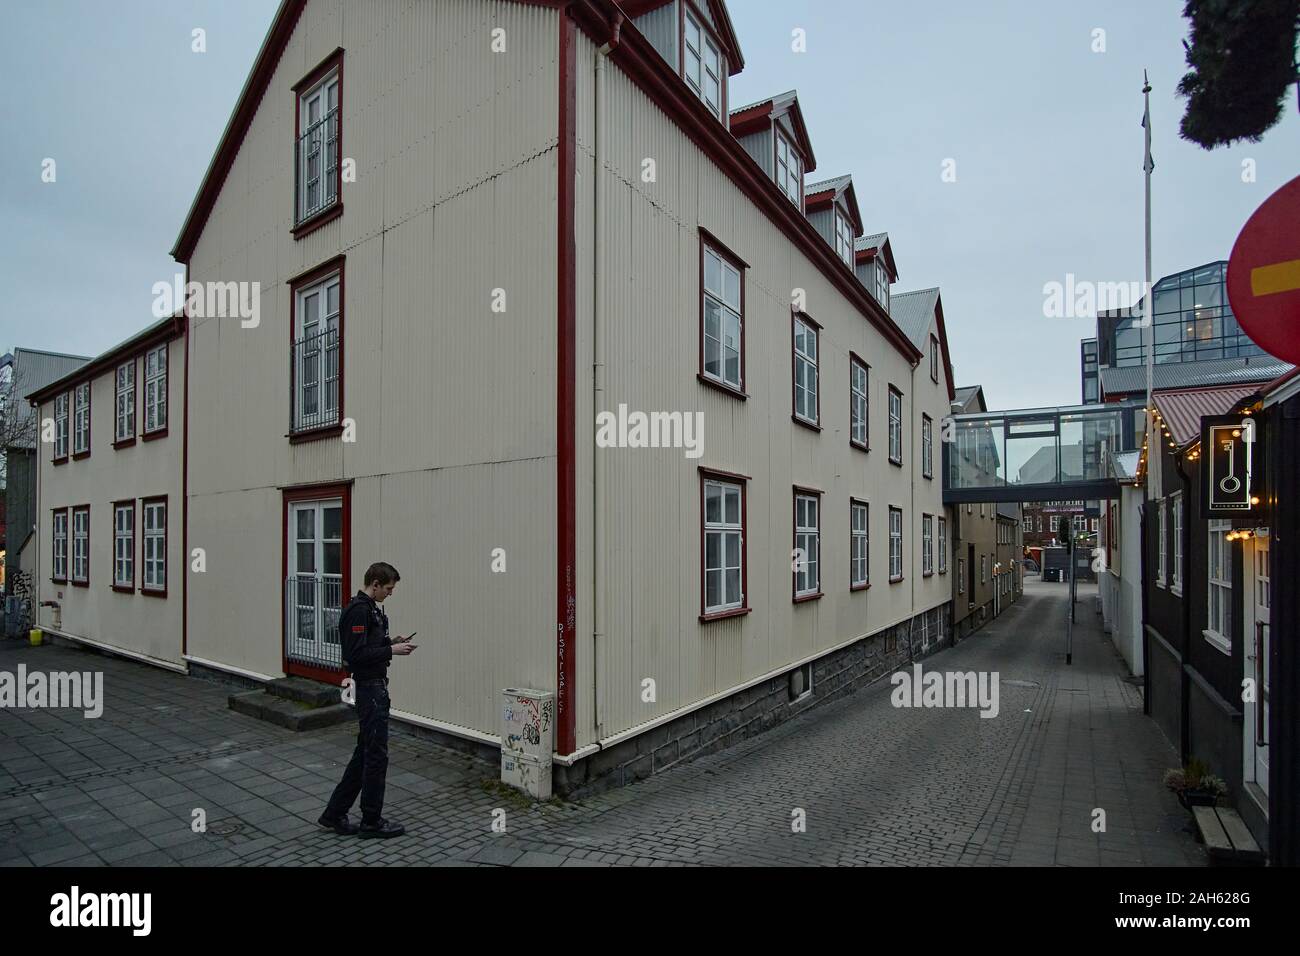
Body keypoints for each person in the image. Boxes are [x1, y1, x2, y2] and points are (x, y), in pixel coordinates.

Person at [318, 561, 416, 838]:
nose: (390, 593)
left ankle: (334, 813)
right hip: (368, 690)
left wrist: (390, 643)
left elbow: (367, 648)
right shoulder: (359, 611)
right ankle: (371, 822)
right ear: (374, 584)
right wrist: (392, 650)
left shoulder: (369, 609)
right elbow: (356, 655)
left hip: (374, 688)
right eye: (388, 588)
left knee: (364, 755)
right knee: (375, 756)